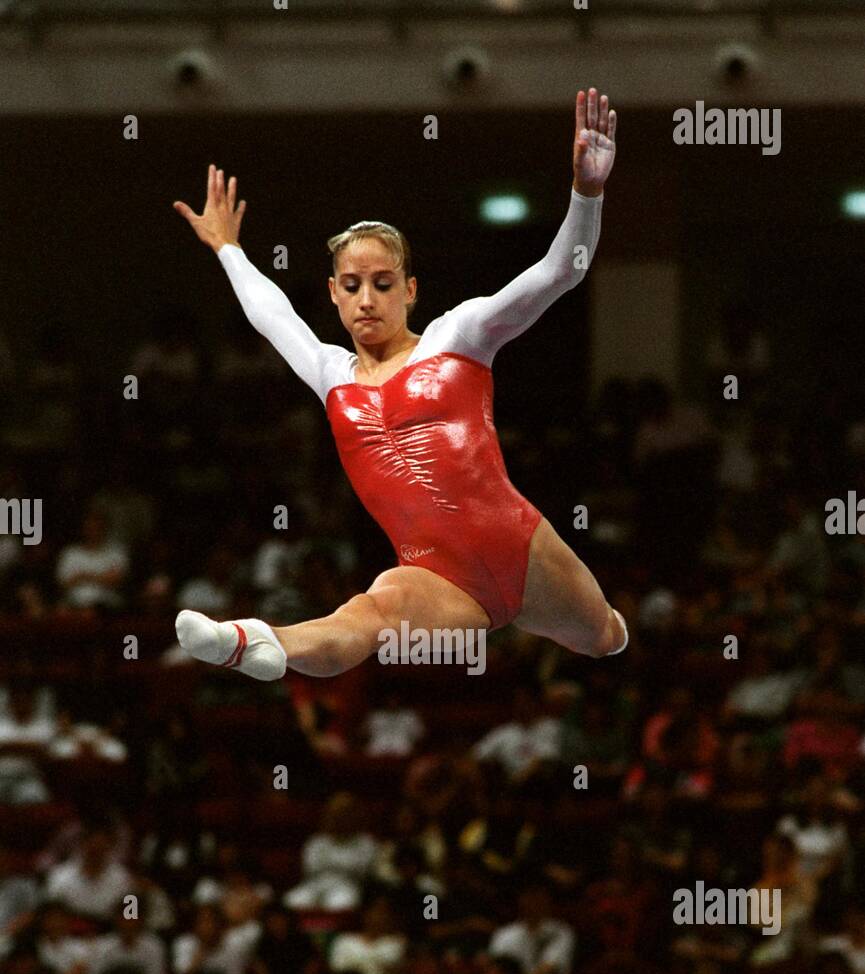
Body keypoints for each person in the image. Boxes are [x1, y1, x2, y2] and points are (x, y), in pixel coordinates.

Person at [172, 90, 628, 680]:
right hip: (436, 577)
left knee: (604, 637)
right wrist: (228, 248)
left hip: (518, 548)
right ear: (334, 294)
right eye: (352, 285)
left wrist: (587, 191)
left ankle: (614, 627)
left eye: (383, 284)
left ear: (410, 290)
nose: (367, 299)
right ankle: (251, 640)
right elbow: (272, 314)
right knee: (369, 614)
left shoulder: (457, 336)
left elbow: (559, 272)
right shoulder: (331, 374)